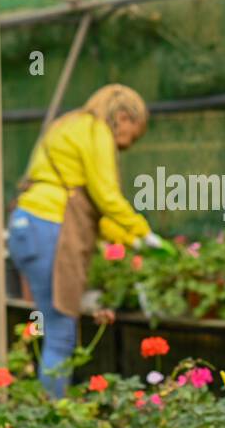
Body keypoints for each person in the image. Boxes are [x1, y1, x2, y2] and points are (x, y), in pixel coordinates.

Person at [10, 84, 165, 397]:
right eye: (131, 135)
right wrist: (141, 230)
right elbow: (105, 196)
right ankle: (53, 419)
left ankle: (45, 410)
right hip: (49, 229)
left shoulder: (68, 124)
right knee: (60, 335)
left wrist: (126, 238)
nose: (128, 145)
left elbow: (91, 209)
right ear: (122, 116)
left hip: (24, 225)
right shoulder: (96, 129)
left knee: (53, 327)